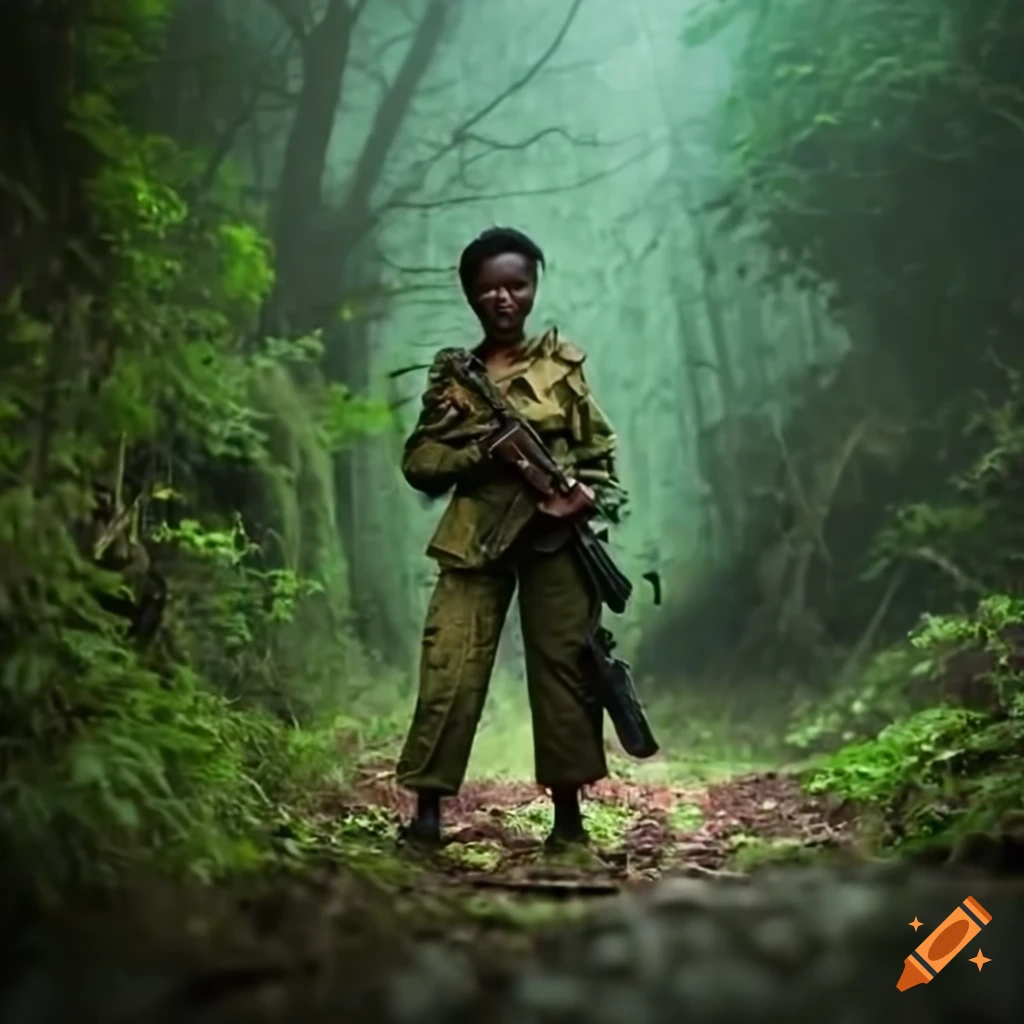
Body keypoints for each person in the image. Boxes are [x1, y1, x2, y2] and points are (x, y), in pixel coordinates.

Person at [396, 226, 628, 849]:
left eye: (517, 285)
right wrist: (482, 455)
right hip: (474, 539)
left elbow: (600, 454)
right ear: (471, 294)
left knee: (566, 672)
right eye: (489, 288)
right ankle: (426, 813)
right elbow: (419, 463)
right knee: (449, 667)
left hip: (557, 541)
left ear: (534, 288)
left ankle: (570, 822)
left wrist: (582, 495)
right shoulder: (455, 379)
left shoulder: (563, 366)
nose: (504, 299)